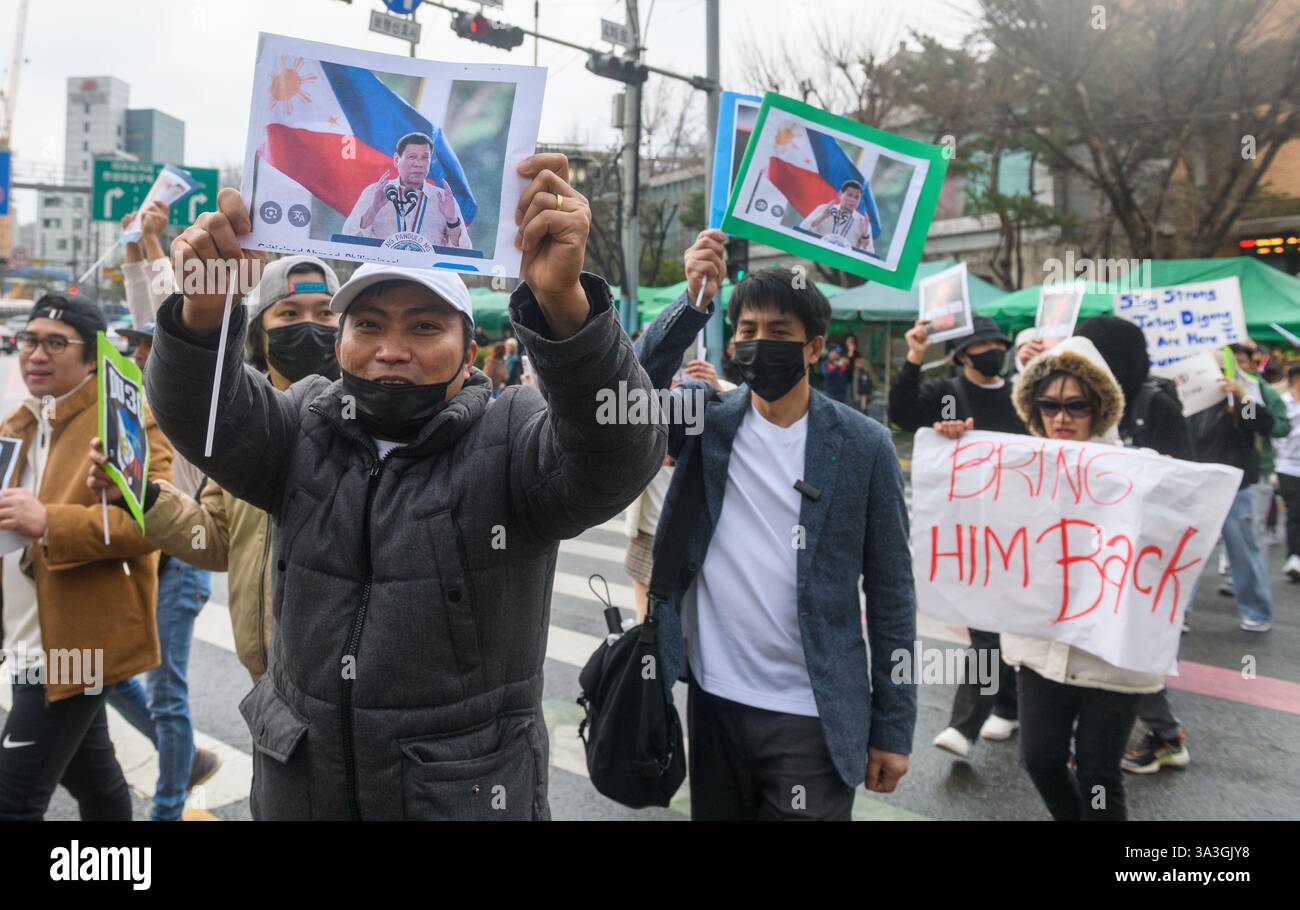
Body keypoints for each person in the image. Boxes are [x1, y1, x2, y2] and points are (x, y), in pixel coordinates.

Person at [145, 154, 665, 820]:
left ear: (467, 343)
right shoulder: (304, 419)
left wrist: (565, 307)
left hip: (461, 798)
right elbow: (203, 421)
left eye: (425, 326)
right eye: (368, 326)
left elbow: (619, 455)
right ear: (341, 341)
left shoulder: (512, 434)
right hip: (301, 791)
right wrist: (203, 314)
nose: (392, 349)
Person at [634, 229, 917, 821]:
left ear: (815, 348)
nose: (761, 345)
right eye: (748, 333)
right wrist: (692, 302)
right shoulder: (704, 422)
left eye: (781, 334)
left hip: (811, 716)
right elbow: (627, 388)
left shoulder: (864, 446)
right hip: (713, 702)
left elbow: (892, 593)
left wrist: (894, 726)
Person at [939, 335, 1164, 820]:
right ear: (1033, 408)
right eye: (1048, 405)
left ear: (1100, 407)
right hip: (1040, 647)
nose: (1061, 417)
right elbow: (968, 516)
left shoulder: (1139, 471)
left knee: (1097, 773)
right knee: (1039, 758)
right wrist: (954, 448)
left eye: (1076, 405)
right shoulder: (1014, 465)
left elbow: (1179, 526)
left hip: (1111, 653)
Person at [90, 256, 344, 686]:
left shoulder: (370, 418)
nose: (309, 325)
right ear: (258, 331)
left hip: (339, 678)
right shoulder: (234, 425)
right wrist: (142, 496)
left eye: (324, 313)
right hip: (265, 678)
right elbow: (216, 539)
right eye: (289, 313)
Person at [0, 296, 174, 820]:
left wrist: (50, 521)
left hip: (74, 645)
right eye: (30, 340)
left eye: (56, 342)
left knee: (13, 802)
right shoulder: (21, 424)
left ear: (94, 355)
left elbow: (150, 526)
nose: (37, 353)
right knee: (96, 784)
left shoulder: (124, 420)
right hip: (28, 638)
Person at [890, 313, 1022, 757]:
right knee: (986, 626)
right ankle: (1004, 706)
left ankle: (969, 724)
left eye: (1000, 346)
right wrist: (913, 357)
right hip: (969, 532)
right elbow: (903, 413)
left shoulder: (1024, 395)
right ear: (963, 355)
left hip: (1020, 530)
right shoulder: (947, 394)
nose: (995, 353)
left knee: (999, 626)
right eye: (986, 347)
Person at [1070, 315, 1193, 775]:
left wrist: (1159, 472)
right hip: (1089, 548)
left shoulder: (1156, 404)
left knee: (1131, 647)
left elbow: (1186, 488)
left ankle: (1163, 734)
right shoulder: (1078, 399)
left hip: (1144, 557)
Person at [623, 359, 734, 624]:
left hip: (687, 522)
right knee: (643, 592)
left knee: (682, 602)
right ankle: (643, 640)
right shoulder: (649, 384)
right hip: (649, 519)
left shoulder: (712, 386)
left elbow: (744, 407)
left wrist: (716, 385)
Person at [1189, 344, 1276, 632]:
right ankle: (1179, 612)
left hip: (1234, 486)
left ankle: (1256, 612)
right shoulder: (1190, 402)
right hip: (1197, 484)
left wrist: (1241, 397)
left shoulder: (1240, 400)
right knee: (1187, 554)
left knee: (1243, 551)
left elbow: (1263, 425)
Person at [342, 132, 472, 251]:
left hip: (424, 273)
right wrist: (373, 209)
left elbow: (464, 251)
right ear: (396, 160)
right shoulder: (374, 192)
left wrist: (452, 220)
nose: (418, 164)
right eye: (412, 157)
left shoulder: (443, 198)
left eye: (425, 158)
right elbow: (348, 239)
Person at [798, 179, 878, 254]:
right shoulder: (824, 209)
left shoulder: (862, 221)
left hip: (843, 265)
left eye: (857, 197)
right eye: (849, 195)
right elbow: (803, 228)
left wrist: (865, 235)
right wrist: (821, 218)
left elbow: (869, 253)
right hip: (817, 254)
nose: (853, 200)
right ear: (840, 194)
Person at [1276, 363, 1300, 582]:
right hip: (1288, 466)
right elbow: (1257, 422)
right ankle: (1294, 556)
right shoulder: (1282, 402)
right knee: (1295, 511)